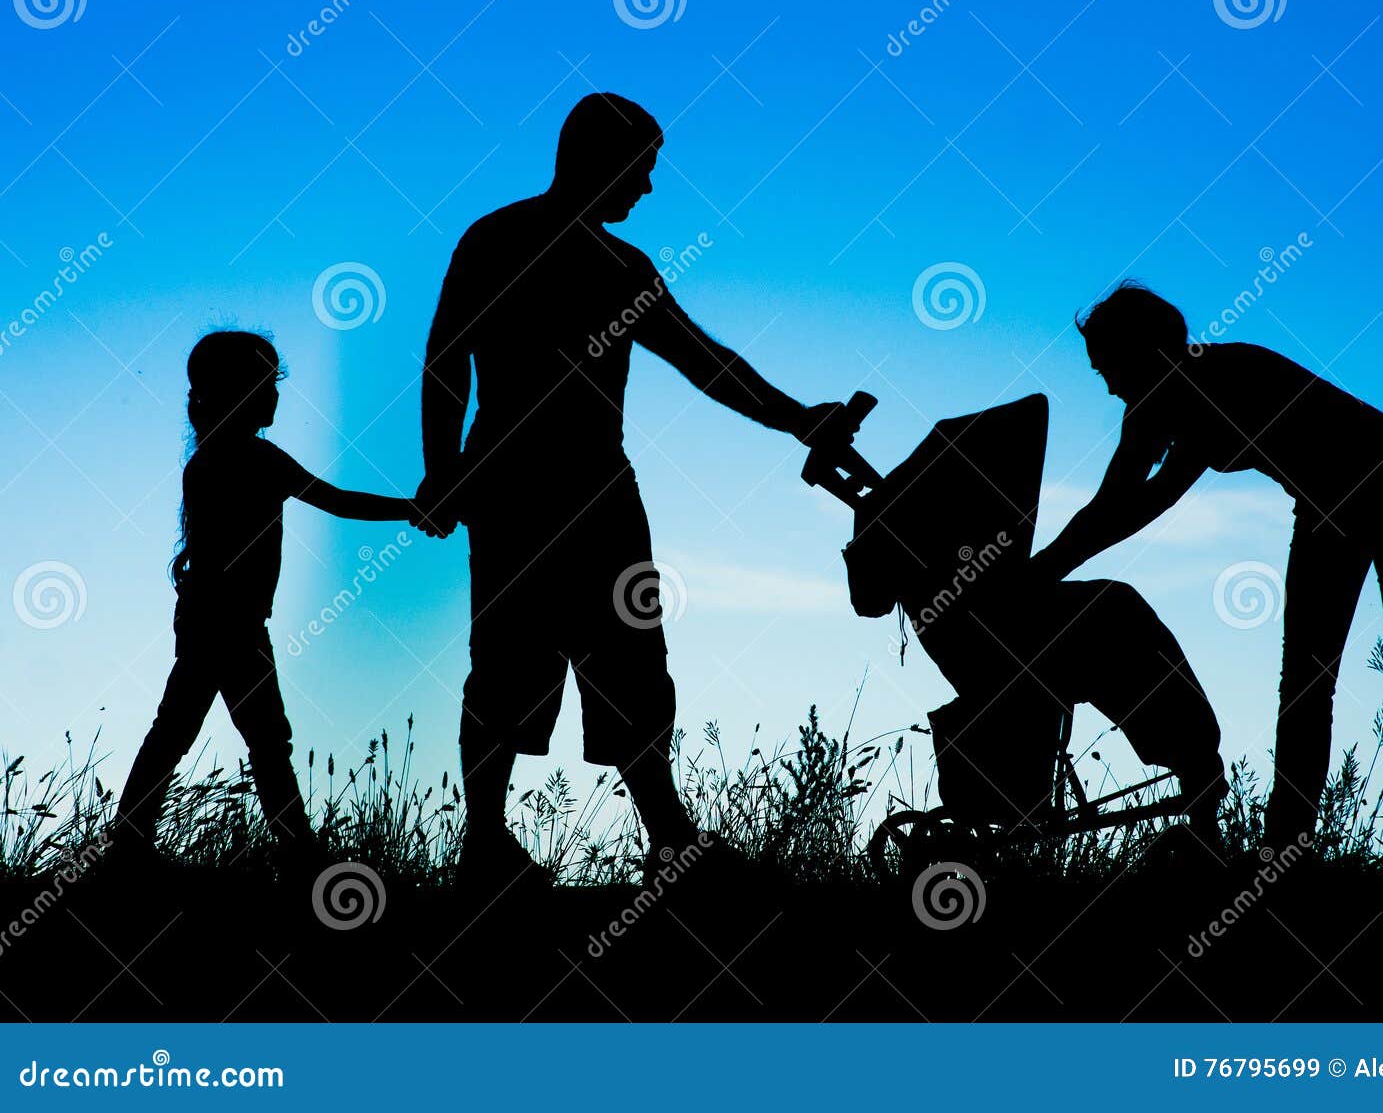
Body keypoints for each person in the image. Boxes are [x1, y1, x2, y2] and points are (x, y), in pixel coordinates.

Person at [413, 92, 842, 887]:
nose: (647, 188)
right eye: (641, 170)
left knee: (614, 661)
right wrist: (441, 471)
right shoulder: (514, 244)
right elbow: (448, 357)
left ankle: (654, 837)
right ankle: (497, 845)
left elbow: (700, 361)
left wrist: (795, 418)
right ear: (601, 161)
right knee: (537, 661)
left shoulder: (571, 256)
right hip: (540, 492)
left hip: (571, 491)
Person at [1031, 282, 1383, 860]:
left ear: (1148, 349)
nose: (1111, 384)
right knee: (1306, 681)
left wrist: (1048, 567)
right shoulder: (1148, 411)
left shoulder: (1216, 378)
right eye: (1102, 374)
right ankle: (1286, 850)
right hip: (1324, 507)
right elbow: (1112, 503)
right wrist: (1046, 566)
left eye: (1112, 368)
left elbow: (1151, 498)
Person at [112, 331, 418, 866]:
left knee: (191, 729)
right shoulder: (254, 460)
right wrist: (414, 510)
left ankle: (132, 840)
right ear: (242, 390)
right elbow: (337, 502)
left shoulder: (211, 460)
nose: (276, 396)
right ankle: (296, 853)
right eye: (267, 384)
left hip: (213, 618)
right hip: (232, 623)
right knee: (261, 739)